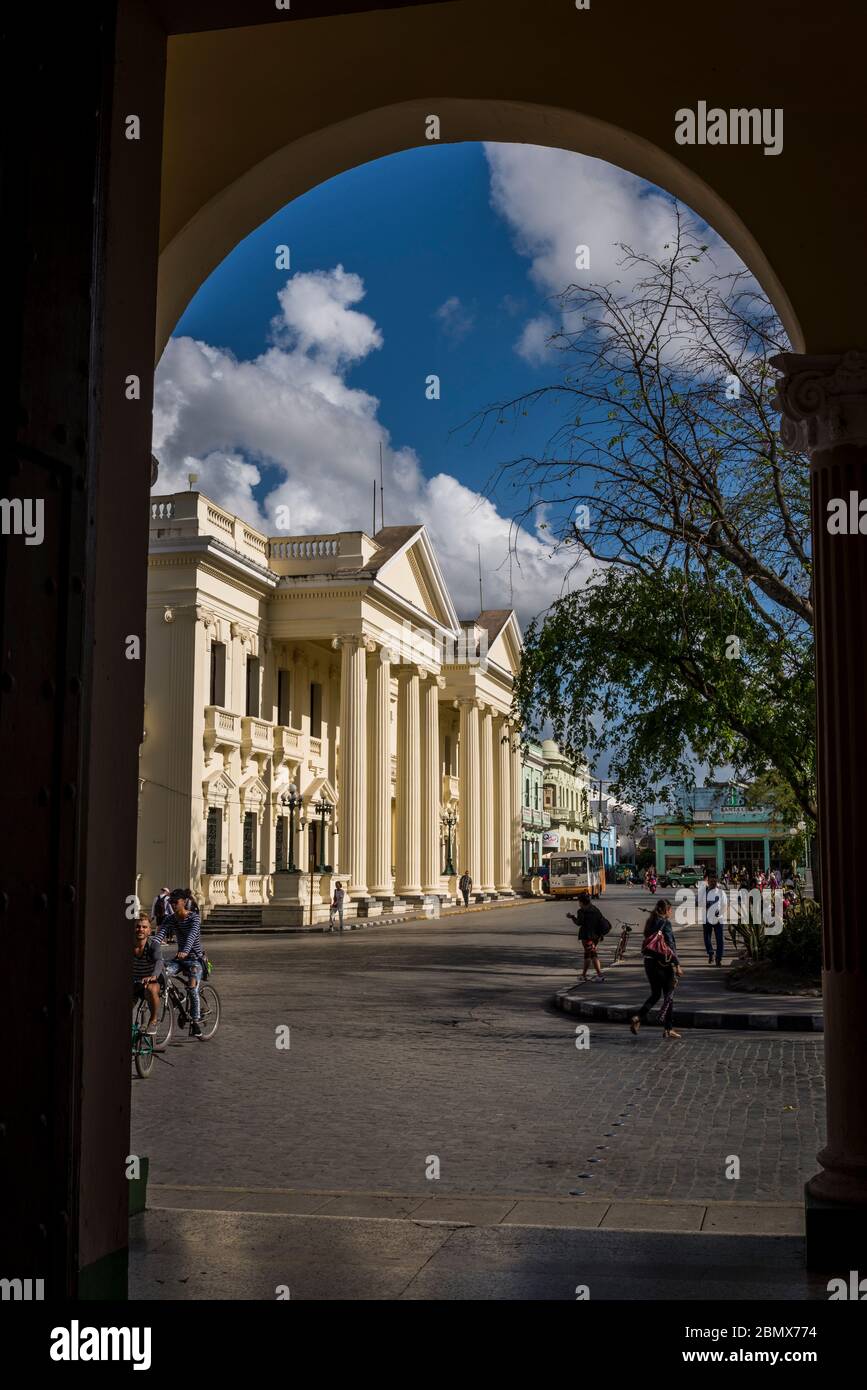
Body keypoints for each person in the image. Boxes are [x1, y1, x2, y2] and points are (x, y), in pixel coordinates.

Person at [153, 888, 205, 1038]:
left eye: (176, 902)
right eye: (171, 902)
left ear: (184, 902)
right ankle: (178, 997)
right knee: (162, 973)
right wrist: (150, 948)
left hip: (195, 959)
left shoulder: (194, 918)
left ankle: (195, 1021)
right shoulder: (170, 919)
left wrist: (185, 951)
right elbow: (159, 936)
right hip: (179, 959)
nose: (173, 905)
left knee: (192, 989)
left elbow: (191, 936)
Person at [629, 898, 683, 1039]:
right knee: (668, 996)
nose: (671, 912)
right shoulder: (666, 923)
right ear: (666, 910)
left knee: (655, 994)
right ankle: (668, 1029)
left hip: (648, 962)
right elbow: (671, 945)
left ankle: (638, 1017)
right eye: (670, 910)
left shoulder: (650, 921)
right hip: (662, 964)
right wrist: (677, 965)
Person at [567, 890, 611, 982]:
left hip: (587, 936)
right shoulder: (595, 909)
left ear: (582, 902)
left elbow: (579, 923)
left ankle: (600, 975)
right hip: (596, 936)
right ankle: (583, 975)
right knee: (588, 955)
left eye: (579, 901)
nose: (578, 903)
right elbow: (600, 921)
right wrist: (601, 934)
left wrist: (572, 917)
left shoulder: (581, 911)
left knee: (593, 954)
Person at [132, 911, 165, 1035]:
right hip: (135, 981)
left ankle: (153, 1020)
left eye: (144, 927)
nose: (140, 929)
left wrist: (153, 975)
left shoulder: (153, 945)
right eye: (138, 926)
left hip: (153, 979)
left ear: (149, 931)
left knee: (151, 989)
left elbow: (159, 961)